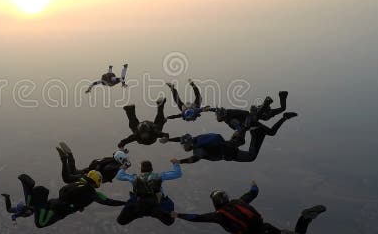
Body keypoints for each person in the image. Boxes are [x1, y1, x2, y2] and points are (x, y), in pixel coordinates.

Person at [172, 182, 326, 234]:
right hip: (265, 227)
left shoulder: (218, 215)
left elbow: (197, 218)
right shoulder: (239, 201)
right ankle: (305, 218)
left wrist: (178, 215)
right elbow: (253, 192)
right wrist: (254, 184)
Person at [161, 112, 297, 163]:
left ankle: (255, 132)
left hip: (231, 152)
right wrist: (169, 140)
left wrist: (180, 162)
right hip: (229, 143)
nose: (183, 146)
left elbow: (194, 159)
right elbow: (182, 138)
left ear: (189, 144)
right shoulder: (196, 139)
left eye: (184, 145)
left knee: (251, 156)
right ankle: (251, 120)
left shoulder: (198, 150)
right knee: (242, 133)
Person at [17, 170, 126, 228]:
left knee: (31, 207)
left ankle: (29, 187)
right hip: (58, 211)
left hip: (54, 202)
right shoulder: (93, 193)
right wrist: (125, 202)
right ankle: (33, 190)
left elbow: (65, 189)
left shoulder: (79, 181)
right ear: (97, 182)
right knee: (40, 223)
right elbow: (108, 202)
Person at [115, 159, 182, 226]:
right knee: (169, 221)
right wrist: (175, 163)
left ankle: (138, 213)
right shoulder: (159, 176)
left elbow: (119, 176)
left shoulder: (134, 178)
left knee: (121, 220)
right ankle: (150, 212)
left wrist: (124, 167)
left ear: (141, 169)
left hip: (139, 205)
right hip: (156, 205)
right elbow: (178, 174)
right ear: (151, 169)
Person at [207, 91, 289, 131]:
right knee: (281, 109)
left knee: (260, 118)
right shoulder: (227, 113)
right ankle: (281, 96)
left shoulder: (230, 119)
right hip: (254, 113)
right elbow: (216, 110)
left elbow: (241, 127)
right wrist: (208, 109)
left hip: (252, 115)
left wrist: (242, 130)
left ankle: (267, 102)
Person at [56, 141, 131, 184]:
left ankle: (69, 155)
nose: (124, 162)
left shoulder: (112, 158)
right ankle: (64, 158)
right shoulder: (114, 166)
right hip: (91, 177)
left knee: (73, 171)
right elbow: (111, 172)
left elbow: (117, 154)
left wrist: (123, 151)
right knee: (67, 179)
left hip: (90, 170)